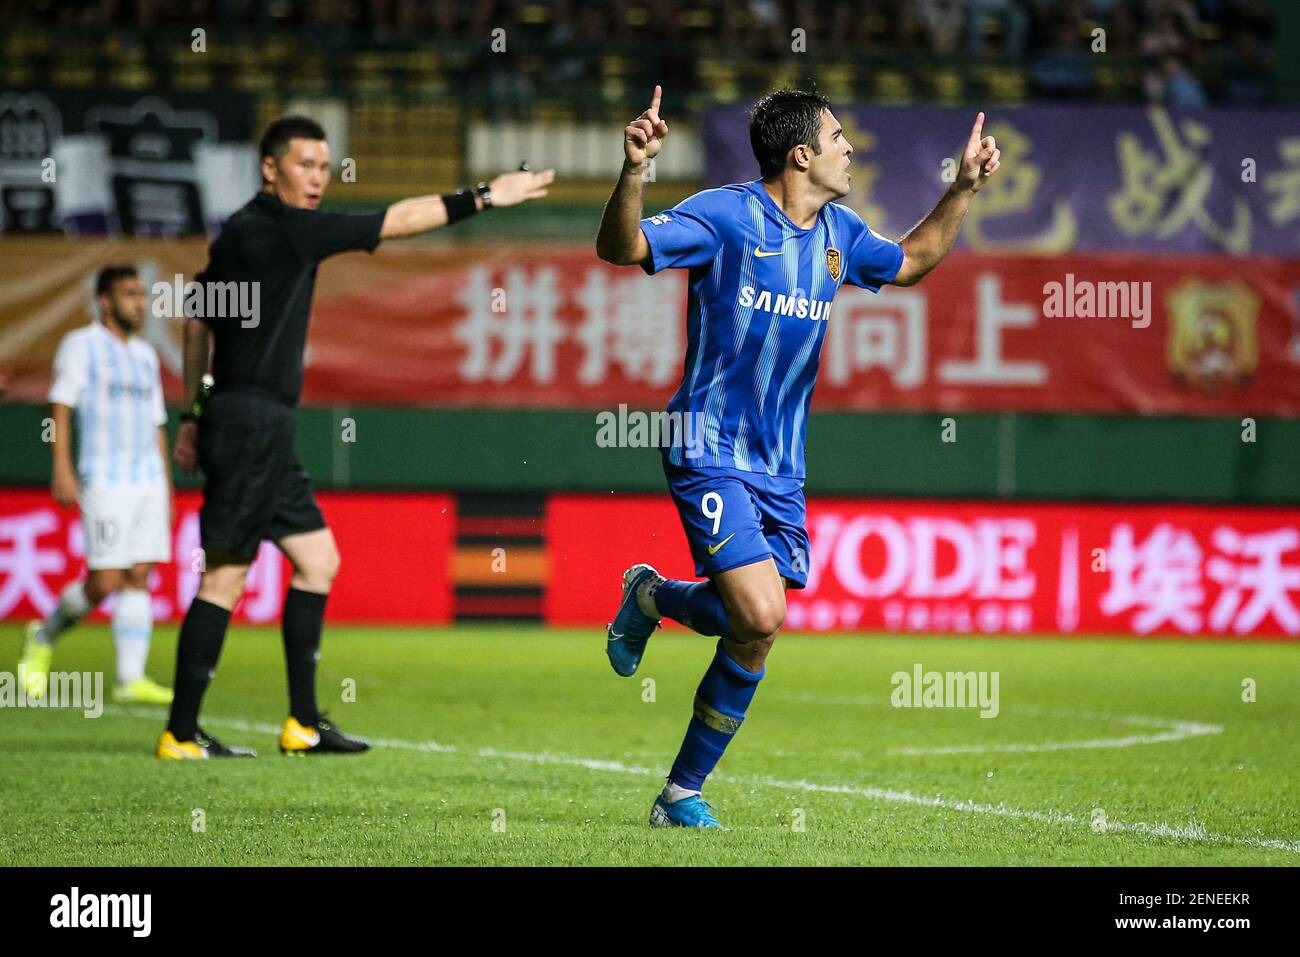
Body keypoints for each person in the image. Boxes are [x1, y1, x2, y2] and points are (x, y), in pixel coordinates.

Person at [595, 86, 1001, 827]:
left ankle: (678, 780)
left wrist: (964, 188)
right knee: (760, 609)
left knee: (756, 628)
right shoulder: (724, 216)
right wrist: (633, 171)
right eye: (839, 138)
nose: (851, 149)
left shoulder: (841, 233)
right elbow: (621, 249)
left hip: (781, 464)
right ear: (802, 154)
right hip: (707, 445)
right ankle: (653, 613)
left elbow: (910, 262)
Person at [158, 115, 554, 759]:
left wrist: (195, 412)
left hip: (251, 421)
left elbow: (197, 316)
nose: (318, 177)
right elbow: (394, 221)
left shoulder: (238, 231)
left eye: (324, 166)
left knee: (318, 561)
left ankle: (303, 724)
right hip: (253, 422)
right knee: (224, 578)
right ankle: (179, 732)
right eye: (305, 164)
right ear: (270, 168)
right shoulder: (284, 229)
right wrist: (485, 196)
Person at [19, 265, 175, 706]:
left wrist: (165, 486)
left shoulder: (145, 355)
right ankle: (43, 635)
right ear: (104, 301)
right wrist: (61, 466)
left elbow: (157, 423)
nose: (139, 304)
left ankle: (131, 678)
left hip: (147, 479)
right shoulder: (80, 345)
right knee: (105, 580)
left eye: (142, 295)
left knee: (139, 573)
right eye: (129, 294)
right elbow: (61, 405)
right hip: (104, 478)